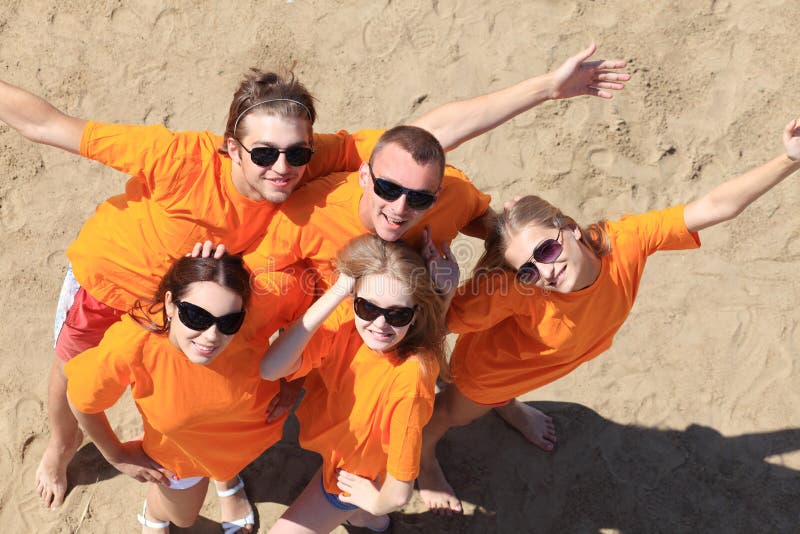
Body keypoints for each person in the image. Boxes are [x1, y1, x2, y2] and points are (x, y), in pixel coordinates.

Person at [0, 70, 371, 512]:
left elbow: (377, 149)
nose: (283, 168)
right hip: (107, 287)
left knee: (206, 391)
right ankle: (61, 448)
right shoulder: (180, 159)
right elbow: (49, 125)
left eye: (298, 154)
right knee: (71, 369)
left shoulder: (297, 156)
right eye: (265, 153)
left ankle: (218, 471)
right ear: (232, 147)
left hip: (190, 309)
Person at [417, 117, 800, 514]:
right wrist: (443, 287)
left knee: (513, 384)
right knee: (449, 416)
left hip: (544, 363)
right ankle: (425, 465)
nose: (545, 271)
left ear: (569, 228)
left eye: (546, 249)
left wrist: (789, 160)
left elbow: (714, 207)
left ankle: (509, 407)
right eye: (529, 267)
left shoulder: (626, 242)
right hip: (491, 374)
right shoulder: (515, 288)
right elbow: (440, 321)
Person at [245, 44, 631, 292]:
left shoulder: (455, 194)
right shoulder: (307, 212)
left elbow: (482, 219)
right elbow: (262, 280)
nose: (399, 208)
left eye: (419, 198)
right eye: (388, 189)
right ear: (365, 176)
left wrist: (515, 229)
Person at [64, 249, 287, 532]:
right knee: (183, 518)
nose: (211, 336)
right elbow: (81, 400)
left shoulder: (254, 318)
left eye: (228, 322)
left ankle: (227, 481)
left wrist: (294, 383)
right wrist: (116, 455)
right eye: (195, 316)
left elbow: (303, 308)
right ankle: (155, 515)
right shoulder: (133, 346)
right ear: (170, 303)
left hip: (240, 441)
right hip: (181, 455)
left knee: (225, 464)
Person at [260, 234, 455, 533]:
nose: (379, 324)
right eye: (368, 308)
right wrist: (338, 291)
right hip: (338, 442)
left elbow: (399, 491)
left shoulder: (410, 378)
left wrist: (376, 502)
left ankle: (371, 515)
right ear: (353, 298)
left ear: (415, 315)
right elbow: (272, 368)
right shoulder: (346, 321)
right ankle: (369, 519)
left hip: (354, 471)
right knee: (361, 512)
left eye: (397, 314)